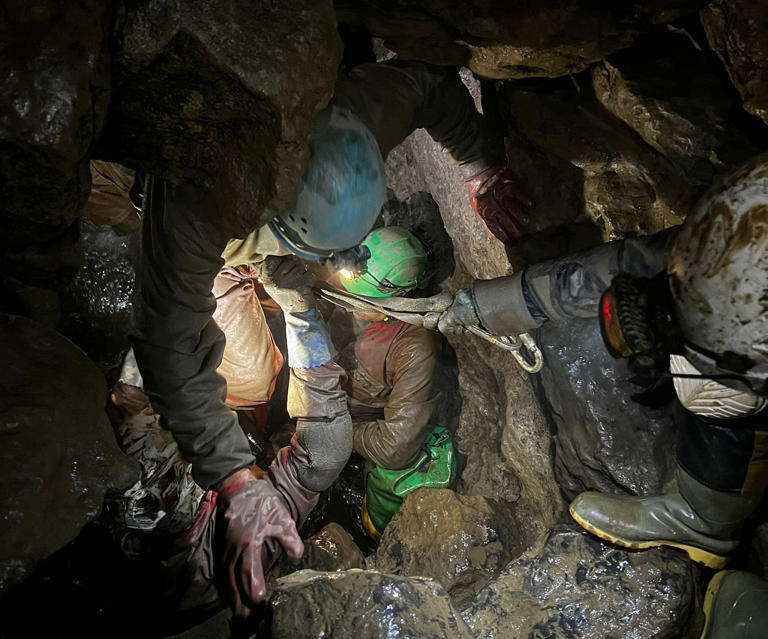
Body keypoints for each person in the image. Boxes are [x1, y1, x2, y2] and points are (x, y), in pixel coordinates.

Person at [132, 60, 533, 615]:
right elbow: (167, 347)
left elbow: (433, 88)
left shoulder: (353, 120)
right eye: (321, 255)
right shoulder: (190, 220)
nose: (337, 271)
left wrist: (480, 170)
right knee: (248, 377)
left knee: (261, 382)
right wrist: (231, 479)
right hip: (218, 253)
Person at [436, 155, 768, 638]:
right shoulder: (743, 242)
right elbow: (624, 267)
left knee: (717, 392)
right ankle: (705, 519)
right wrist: (482, 307)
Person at [329, 225, 456, 541]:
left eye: (361, 300)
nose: (347, 303)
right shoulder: (353, 278)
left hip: (351, 424)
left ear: (398, 299)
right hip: (328, 398)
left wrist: (338, 430)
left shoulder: (414, 348)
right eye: (349, 291)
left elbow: (394, 448)